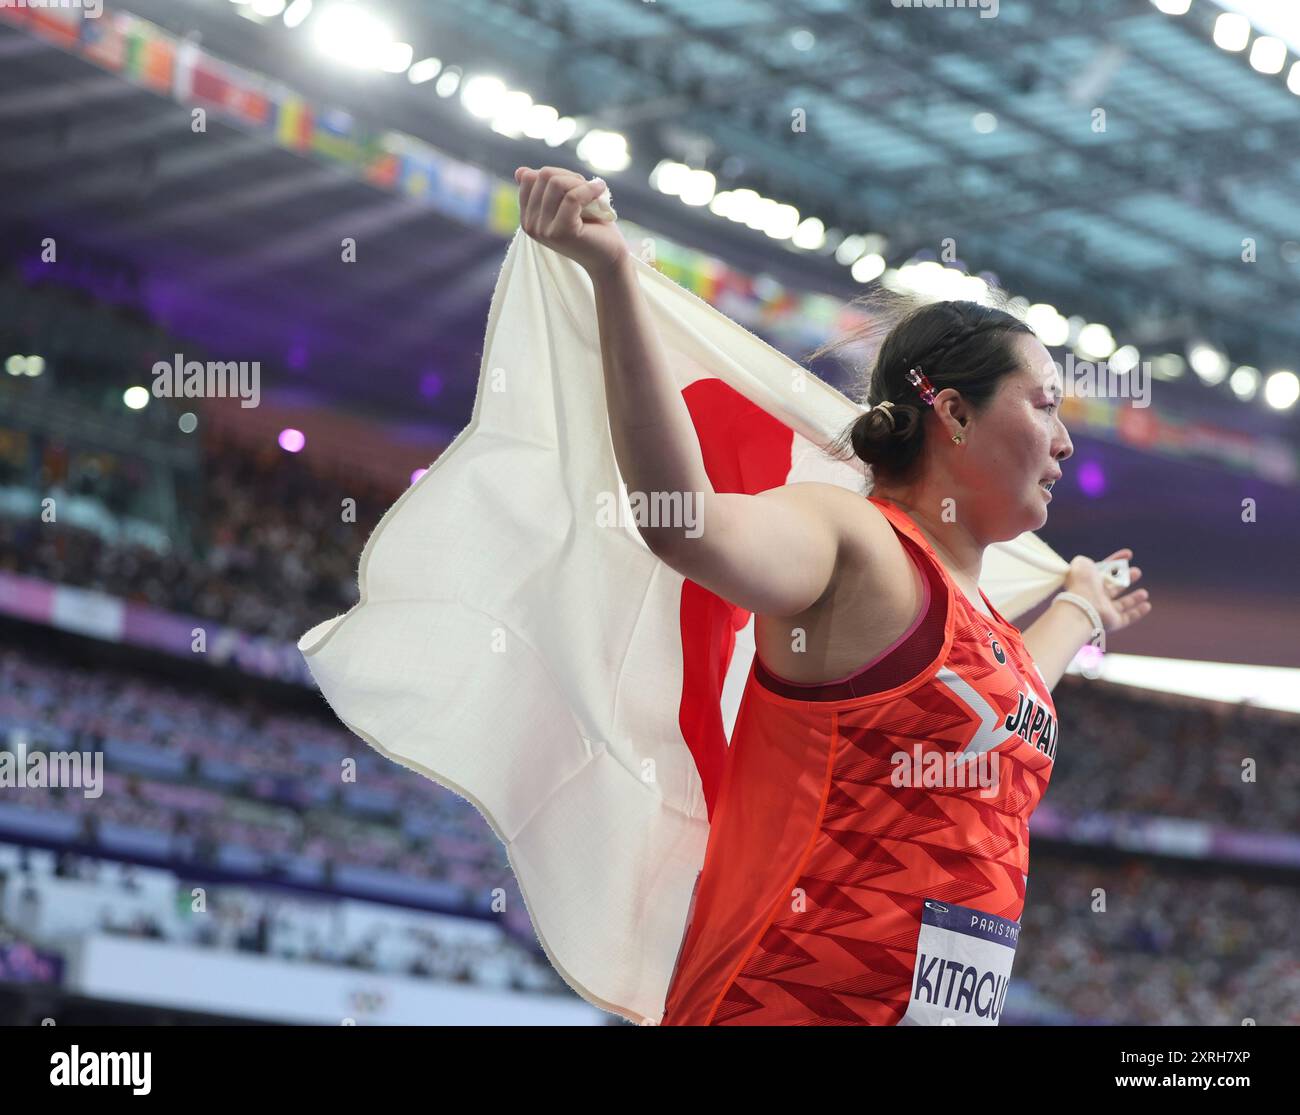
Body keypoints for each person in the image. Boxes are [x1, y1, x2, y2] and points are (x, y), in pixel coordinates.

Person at [514, 165, 1152, 1025]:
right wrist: (614, 275)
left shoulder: (985, 628)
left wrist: (1081, 602)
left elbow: (1016, 692)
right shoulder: (858, 544)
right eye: (1044, 404)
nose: (1068, 441)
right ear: (955, 415)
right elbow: (685, 525)